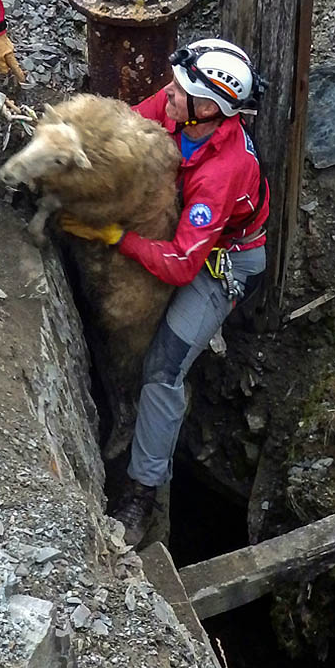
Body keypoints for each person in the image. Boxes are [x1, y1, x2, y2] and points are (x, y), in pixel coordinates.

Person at [62, 39, 269, 547]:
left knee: (163, 369)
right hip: (187, 240)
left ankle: (141, 492)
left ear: (209, 110)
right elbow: (128, 131)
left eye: (180, 93)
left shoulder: (225, 172)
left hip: (222, 263)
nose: (167, 96)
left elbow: (180, 265)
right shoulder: (182, 113)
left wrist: (117, 238)